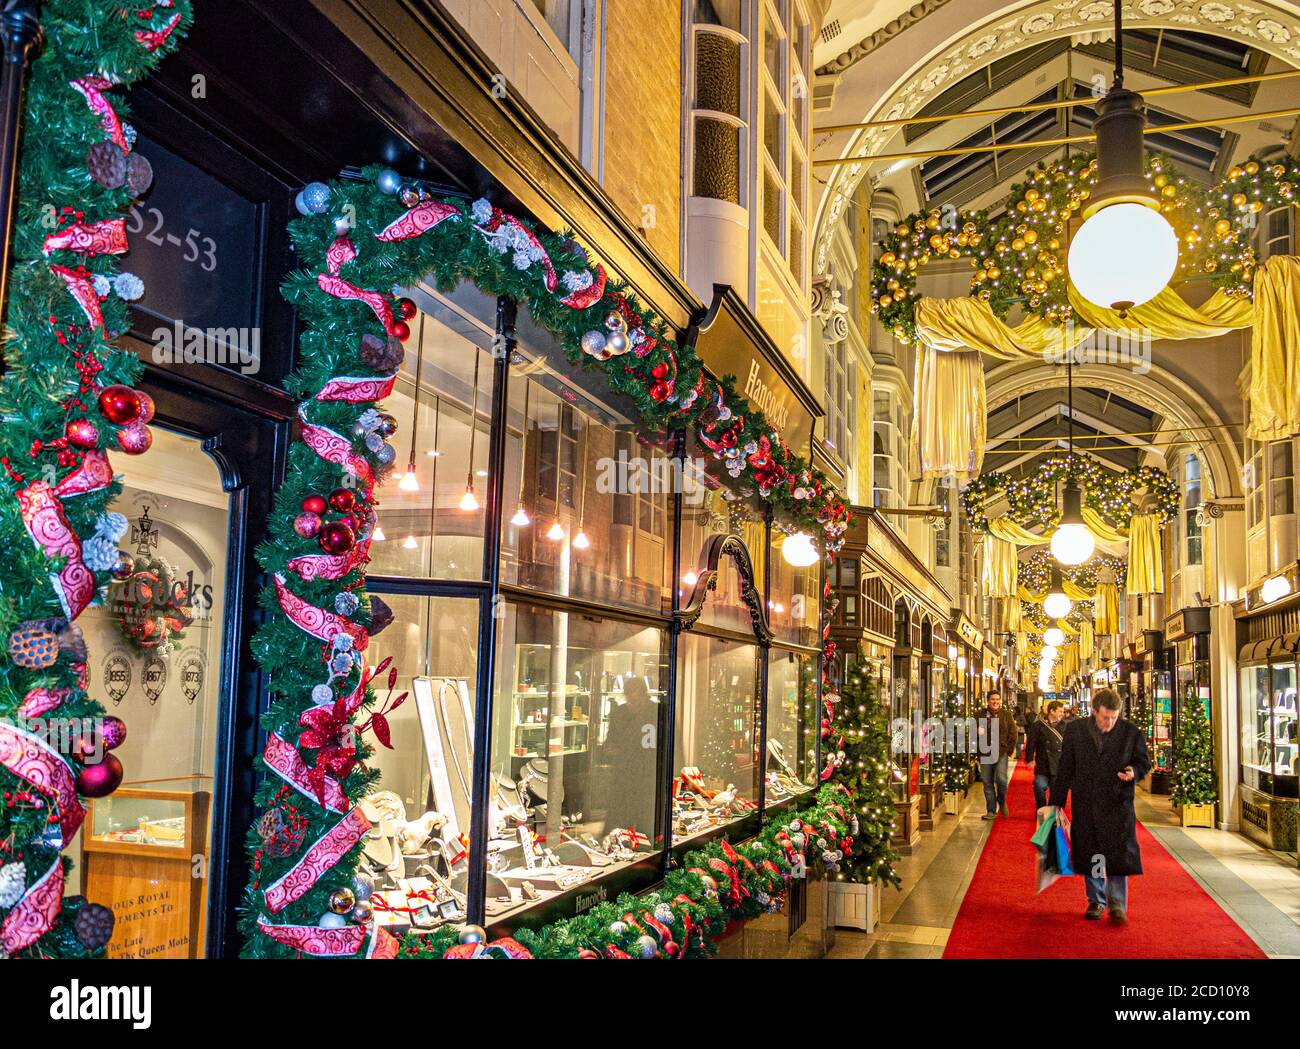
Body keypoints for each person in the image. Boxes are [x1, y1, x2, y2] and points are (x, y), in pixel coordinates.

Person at [1050, 687, 1151, 924]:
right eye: (1105, 717)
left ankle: (1117, 904)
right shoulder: (1075, 731)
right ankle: (1096, 900)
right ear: (1094, 712)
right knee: (1093, 853)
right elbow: (1065, 769)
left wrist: (1133, 772)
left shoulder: (1130, 733)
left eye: (1114, 718)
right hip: (1087, 803)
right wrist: (1056, 802)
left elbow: (1143, 762)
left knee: (1117, 855)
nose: (1109, 722)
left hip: (1117, 804)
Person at [975, 689, 1018, 820]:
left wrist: (1009, 750)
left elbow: (1013, 733)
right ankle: (991, 811)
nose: (995, 702)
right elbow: (971, 732)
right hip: (985, 752)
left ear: (1000, 701)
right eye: (992, 699)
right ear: (988, 701)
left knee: (1001, 779)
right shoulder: (979, 715)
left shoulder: (1006, 715)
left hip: (1001, 752)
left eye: (997, 699)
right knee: (987, 782)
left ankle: (1002, 800)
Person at [1024, 700, 1065, 812]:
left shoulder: (1065, 726)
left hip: (1058, 765)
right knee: (1039, 787)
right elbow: (1031, 743)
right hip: (1043, 764)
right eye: (1060, 711)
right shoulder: (1038, 726)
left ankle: (1052, 815)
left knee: (1055, 793)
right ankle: (1041, 809)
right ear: (1051, 711)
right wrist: (1029, 759)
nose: (1063, 714)